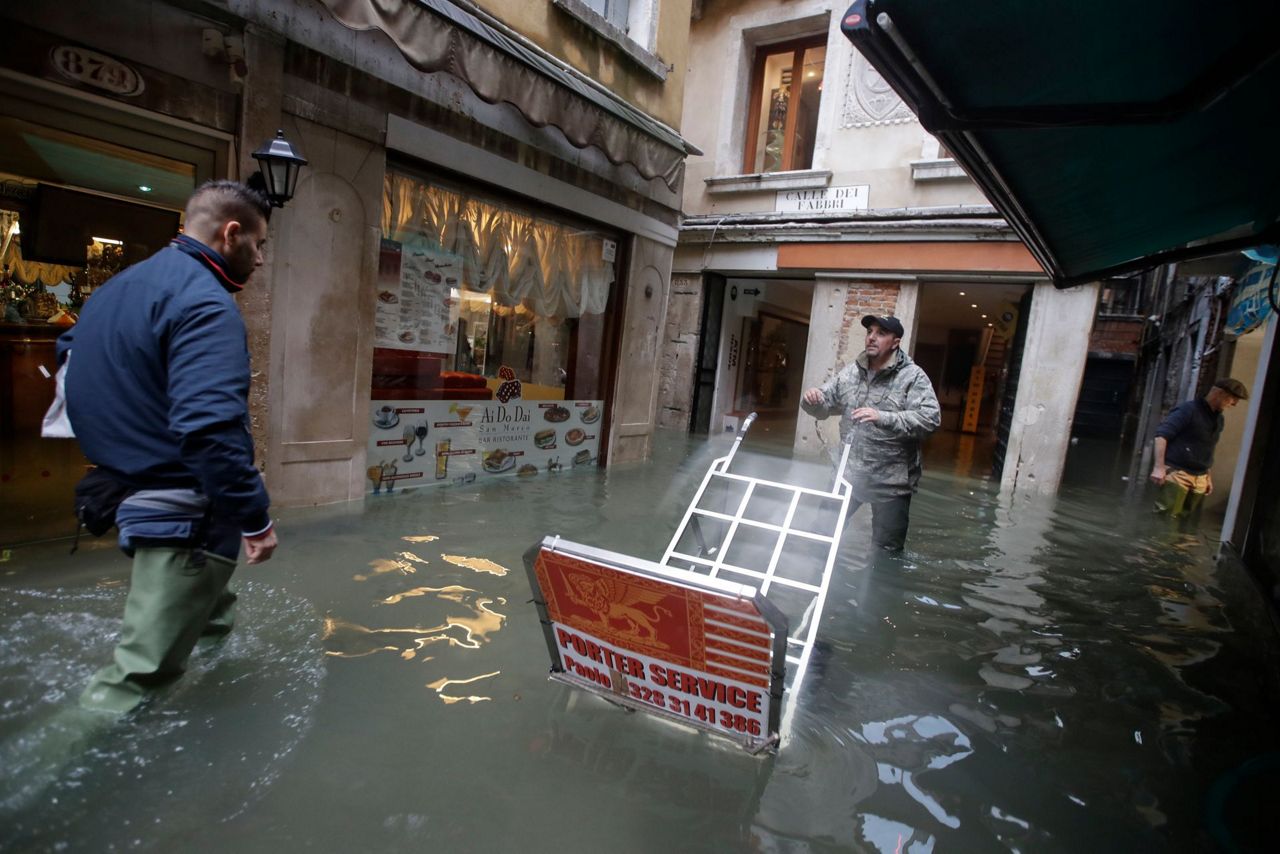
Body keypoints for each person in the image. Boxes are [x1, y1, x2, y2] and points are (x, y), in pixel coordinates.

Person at [56, 180, 279, 714]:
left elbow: (68, 363)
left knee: (213, 618)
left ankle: (214, 708)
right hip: (182, 509)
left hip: (137, 491)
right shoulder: (205, 303)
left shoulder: (119, 288)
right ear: (231, 234)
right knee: (132, 684)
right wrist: (255, 517)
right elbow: (208, 429)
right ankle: (51, 779)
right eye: (261, 244)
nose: (262, 260)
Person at [802, 315, 941, 552]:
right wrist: (813, 399)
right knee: (820, 537)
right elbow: (825, 404)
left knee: (886, 553)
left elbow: (930, 419)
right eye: (869, 331)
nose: (872, 338)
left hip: (891, 483)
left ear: (895, 342)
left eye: (881, 333)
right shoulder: (851, 372)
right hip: (848, 473)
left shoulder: (913, 377)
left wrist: (883, 417)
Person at [1149, 377, 1249, 517]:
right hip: (1178, 473)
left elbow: (1207, 447)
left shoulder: (1218, 419)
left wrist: (1207, 475)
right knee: (1165, 518)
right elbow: (1162, 435)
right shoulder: (1188, 410)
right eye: (1233, 398)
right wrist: (1159, 467)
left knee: (1185, 520)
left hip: (1200, 477)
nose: (1235, 404)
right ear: (1219, 393)